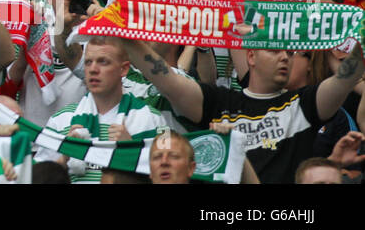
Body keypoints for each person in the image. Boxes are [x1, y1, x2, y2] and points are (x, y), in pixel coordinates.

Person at [117, 36, 365, 184]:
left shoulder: (305, 102)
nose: (285, 58)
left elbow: (349, 75)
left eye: (289, 53)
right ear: (251, 56)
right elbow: (163, 77)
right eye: (274, 51)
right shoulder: (217, 101)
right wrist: (120, 34)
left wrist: (359, 27)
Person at [40, 37, 167, 183]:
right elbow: (37, 178)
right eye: (88, 62)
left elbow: (170, 176)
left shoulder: (157, 121)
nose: (93, 69)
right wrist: (64, 157)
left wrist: (132, 152)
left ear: (124, 69)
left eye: (103, 62)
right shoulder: (59, 120)